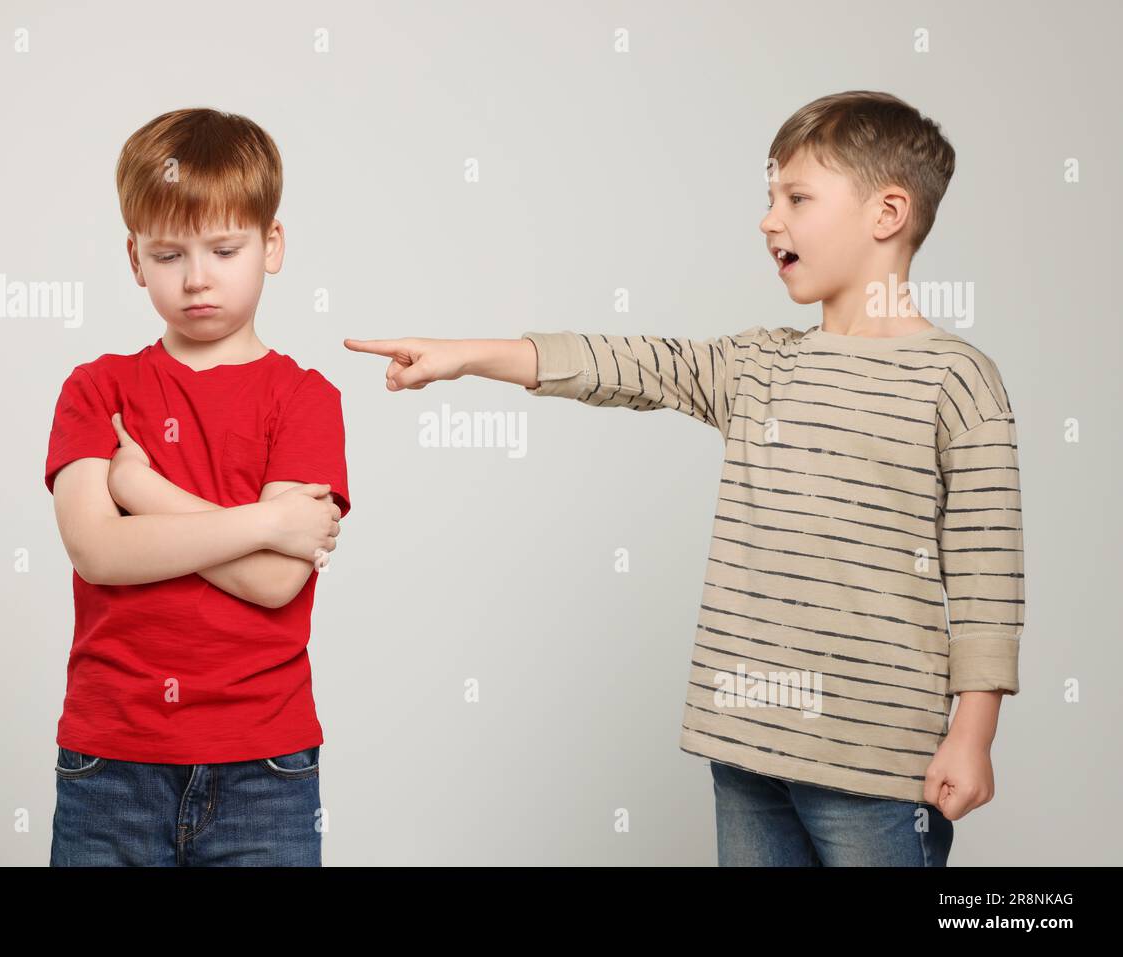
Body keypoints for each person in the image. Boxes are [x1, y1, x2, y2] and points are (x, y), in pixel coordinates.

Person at [345, 91, 1023, 866]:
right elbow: (628, 364)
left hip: (876, 766)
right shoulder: (759, 363)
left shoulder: (956, 381)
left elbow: (987, 576)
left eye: (797, 197)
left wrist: (972, 735)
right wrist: (469, 354)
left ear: (887, 212)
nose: (770, 220)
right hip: (744, 747)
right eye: (769, 197)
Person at [44, 108, 349, 866]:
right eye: (169, 253)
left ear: (270, 245)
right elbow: (98, 551)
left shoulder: (307, 398)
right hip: (109, 762)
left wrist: (143, 490)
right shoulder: (96, 387)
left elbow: (277, 579)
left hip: (265, 770)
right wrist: (265, 520)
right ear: (134, 258)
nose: (198, 277)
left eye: (224, 248)